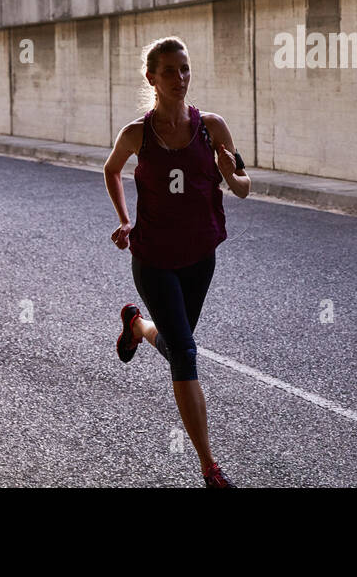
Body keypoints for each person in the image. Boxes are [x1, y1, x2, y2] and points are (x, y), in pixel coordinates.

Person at [103, 36, 251, 488]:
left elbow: (244, 186)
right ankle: (210, 467)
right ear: (152, 77)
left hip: (199, 257)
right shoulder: (136, 134)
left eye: (185, 68)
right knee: (185, 352)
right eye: (169, 70)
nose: (180, 78)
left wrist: (230, 174)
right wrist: (126, 221)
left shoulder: (212, 128)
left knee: (174, 343)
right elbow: (111, 170)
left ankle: (136, 326)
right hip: (153, 259)